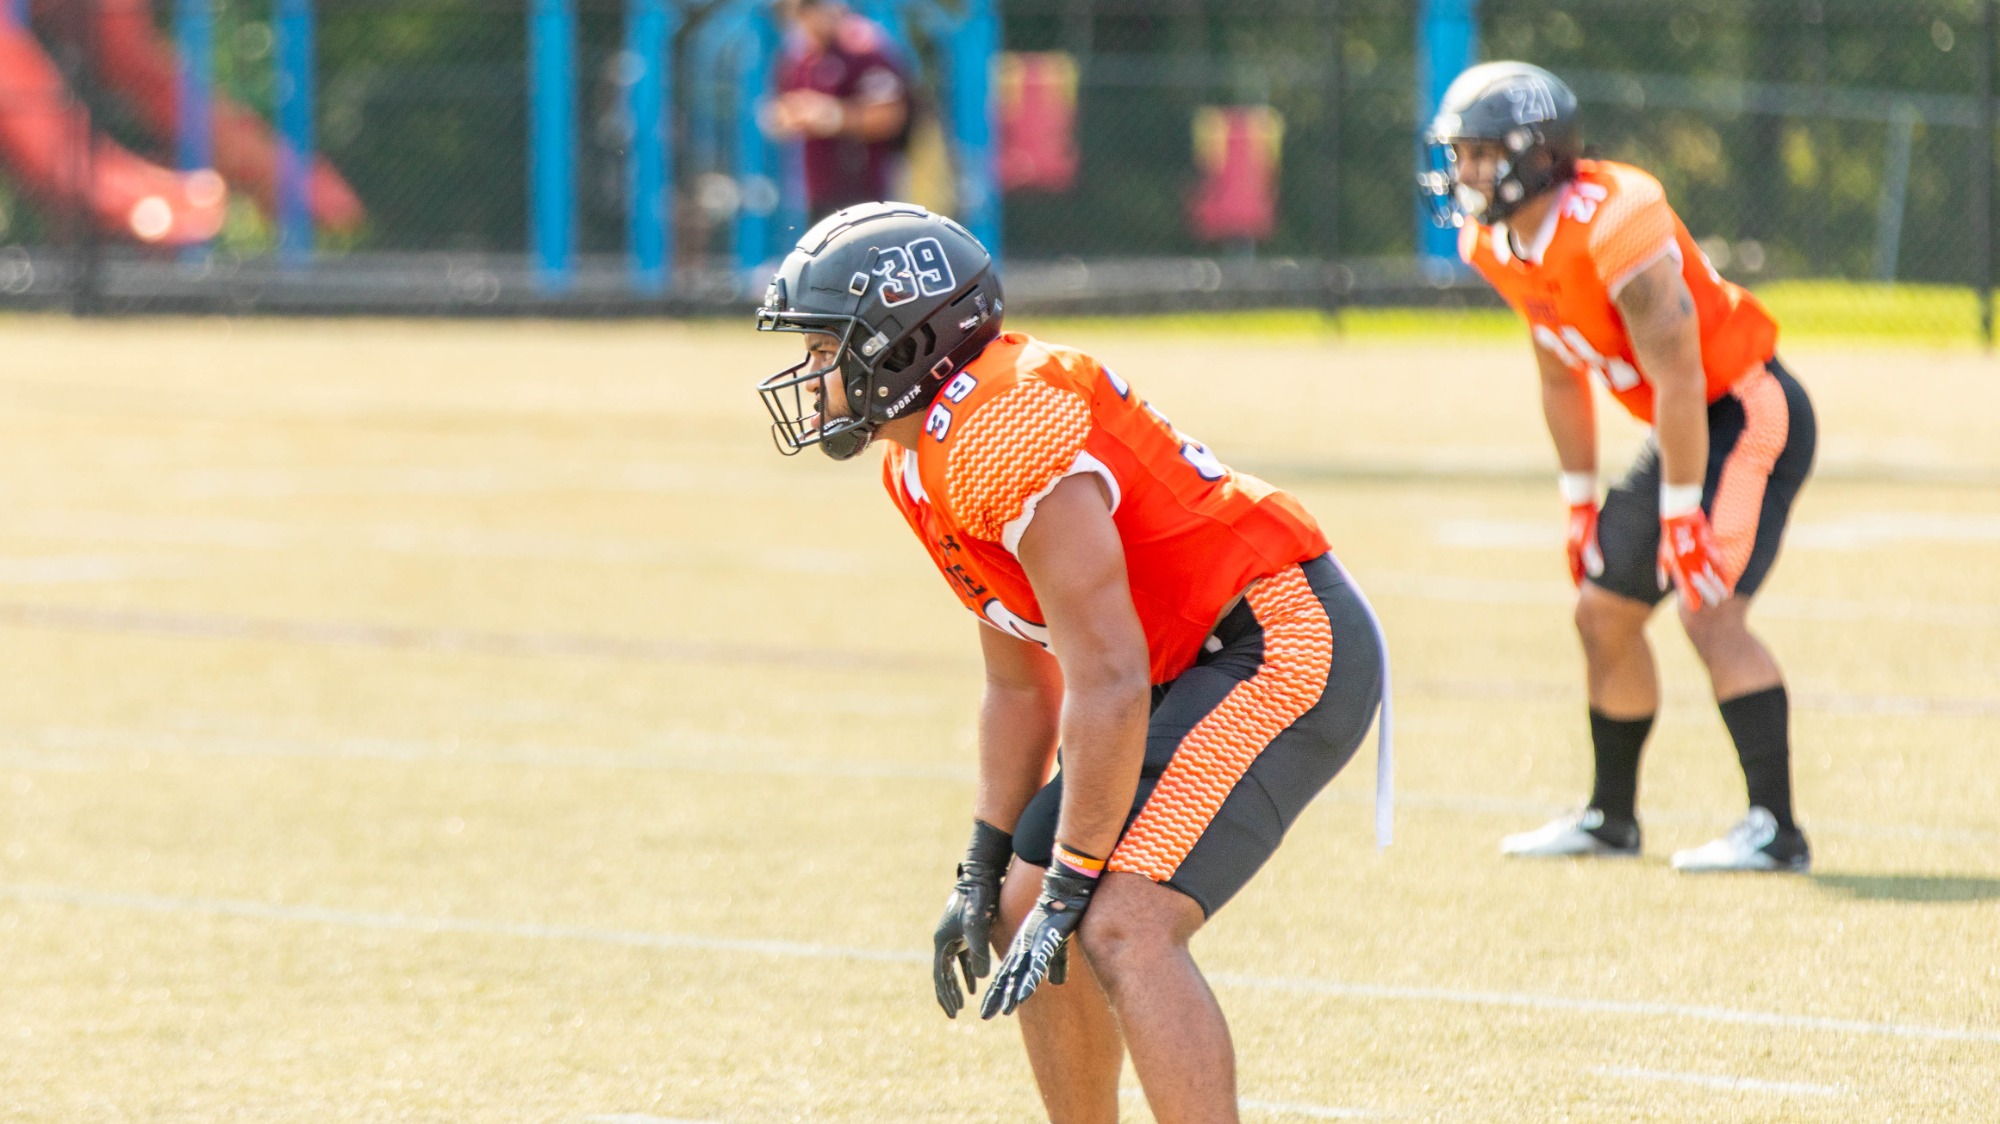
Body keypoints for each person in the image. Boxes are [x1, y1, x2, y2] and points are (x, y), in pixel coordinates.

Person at [753, 202, 1389, 1123]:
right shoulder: (917, 461)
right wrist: (984, 862)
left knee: (1122, 922)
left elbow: (1110, 678)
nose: (812, 374)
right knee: (1022, 910)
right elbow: (1019, 676)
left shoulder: (1001, 426)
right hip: (1179, 662)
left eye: (826, 347)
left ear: (901, 344)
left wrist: (1073, 878)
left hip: (1276, 637)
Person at [1420, 62, 1816, 873]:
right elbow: (1559, 370)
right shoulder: (1495, 241)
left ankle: (1777, 829)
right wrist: (1577, 502)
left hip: (1745, 407)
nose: (1465, 173)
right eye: (1460, 154)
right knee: (1602, 614)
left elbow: (1677, 376)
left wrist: (1679, 515)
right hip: (1688, 421)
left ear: (1535, 156)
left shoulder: (1616, 219)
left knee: (1708, 607)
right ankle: (1612, 818)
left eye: (1482, 155)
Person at [764, 0, 912, 222]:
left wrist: (833, 116)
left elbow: (891, 116)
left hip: (865, 192)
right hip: (815, 192)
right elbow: (780, 111)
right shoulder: (801, 57)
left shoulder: (864, 49)